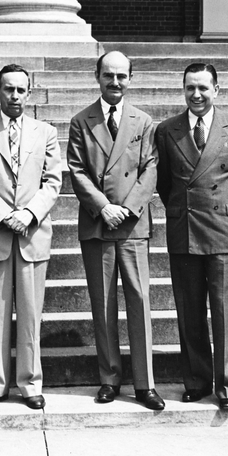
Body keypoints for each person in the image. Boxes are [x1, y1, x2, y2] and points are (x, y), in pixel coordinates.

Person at [155, 63, 228, 411]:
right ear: (183, 90)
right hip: (185, 229)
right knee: (190, 311)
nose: (196, 95)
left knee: (225, 313)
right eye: (190, 88)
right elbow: (164, 183)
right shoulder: (167, 130)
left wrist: (227, 209)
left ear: (218, 89)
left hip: (225, 230)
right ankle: (196, 381)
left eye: (203, 88)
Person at [66, 51, 165, 411]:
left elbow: (151, 167)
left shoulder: (144, 121)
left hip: (133, 224)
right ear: (97, 76)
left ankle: (144, 383)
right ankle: (109, 378)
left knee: (139, 302)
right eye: (108, 75)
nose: (115, 82)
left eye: (121, 76)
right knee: (103, 304)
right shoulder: (81, 121)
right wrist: (102, 207)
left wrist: (128, 207)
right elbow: (76, 170)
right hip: (97, 224)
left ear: (131, 78)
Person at [0, 64, 62, 411]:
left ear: (30, 93)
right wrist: (5, 216)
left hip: (33, 233)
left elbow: (53, 182)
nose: (15, 96)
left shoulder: (45, 132)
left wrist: (29, 214)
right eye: (8, 89)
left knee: (31, 314)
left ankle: (31, 383)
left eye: (21, 90)